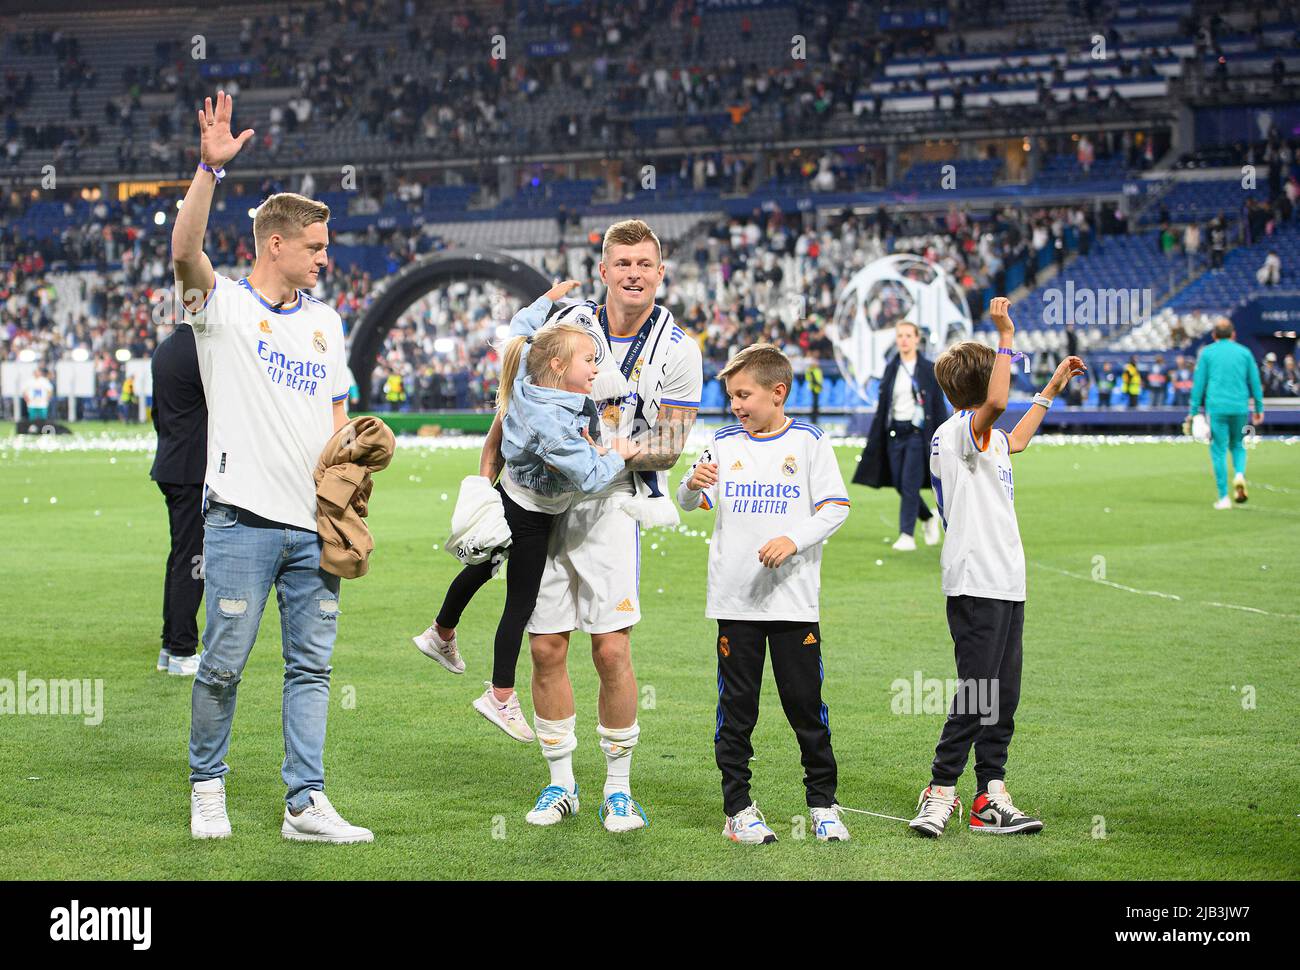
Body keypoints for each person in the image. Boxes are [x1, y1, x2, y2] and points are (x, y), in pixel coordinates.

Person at [174, 90, 370, 843]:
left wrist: (350, 485)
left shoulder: (327, 322)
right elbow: (185, 250)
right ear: (276, 245)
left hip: (310, 527)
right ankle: (207, 787)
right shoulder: (219, 306)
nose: (327, 258)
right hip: (240, 522)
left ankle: (304, 804)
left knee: (312, 671)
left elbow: (333, 420)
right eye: (317, 247)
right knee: (222, 666)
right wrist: (207, 171)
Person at [522, 218, 702, 834]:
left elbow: (673, 443)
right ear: (603, 270)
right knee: (545, 645)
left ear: (659, 271)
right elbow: (520, 394)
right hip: (547, 503)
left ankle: (619, 789)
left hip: (614, 507)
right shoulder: (566, 324)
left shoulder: (677, 347)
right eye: (621, 263)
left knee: (610, 648)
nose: (633, 273)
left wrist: (606, 452)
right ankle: (561, 783)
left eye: (644, 264)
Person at [411, 285, 640, 743]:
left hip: (511, 495)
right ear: (558, 366)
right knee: (521, 603)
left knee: (484, 566)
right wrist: (621, 453)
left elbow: (521, 328)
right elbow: (591, 478)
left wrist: (546, 299)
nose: (597, 368)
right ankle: (499, 695)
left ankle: (440, 632)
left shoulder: (524, 374)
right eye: (589, 361)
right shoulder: (553, 423)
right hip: (535, 513)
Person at [908, 297, 1086, 838]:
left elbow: (1019, 438)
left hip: (1007, 579)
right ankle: (940, 789)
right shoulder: (959, 430)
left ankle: (991, 794)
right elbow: (999, 404)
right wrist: (1006, 333)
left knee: (1002, 693)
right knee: (978, 690)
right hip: (974, 580)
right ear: (985, 389)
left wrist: (1050, 389)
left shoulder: (986, 438)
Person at [677, 344, 851, 845]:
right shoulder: (723, 442)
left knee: (806, 706)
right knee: (737, 710)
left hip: (794, 601)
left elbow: (836, 507)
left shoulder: (810, 442)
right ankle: (738, 810)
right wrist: (691, 483)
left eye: (743, 395)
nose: (735, 405)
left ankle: (822, 805)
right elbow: (690, 502)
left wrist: (792, 539)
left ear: (778, 393)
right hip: (735, 602)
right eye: (731, 396)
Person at [851, 321, 947, 551]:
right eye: (900, 335)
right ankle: (927, 517)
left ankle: (906, 535)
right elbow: (884, 405)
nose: (903, 339)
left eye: (908, 335)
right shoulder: (891, 367)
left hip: (917, 434)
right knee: (898, 482)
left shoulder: (928, 369)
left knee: (909, 483)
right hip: (894, 433)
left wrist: (942, 435)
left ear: (916, 339)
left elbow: (936, 404)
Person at [150, 322, 208, 677]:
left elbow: (158, 414)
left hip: (171, 461)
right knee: (194, 560)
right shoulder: (203, 351)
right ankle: (183, 649)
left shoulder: (165, 349)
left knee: (180, 556)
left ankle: (171, 645)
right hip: (192, 470)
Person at [1189, 318, 1265, 509]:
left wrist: (1193, 411)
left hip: (1217, 407)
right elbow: (1255, 382)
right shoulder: (1244, 353)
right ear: (1233, 334)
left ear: (1214, 335)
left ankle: (1223, 497)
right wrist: (1258, 408)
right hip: (1239, 406)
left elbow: (1199, 383)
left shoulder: (1207, 353)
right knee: (1238, 445)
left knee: (1219, 450)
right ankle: (1239, 474)